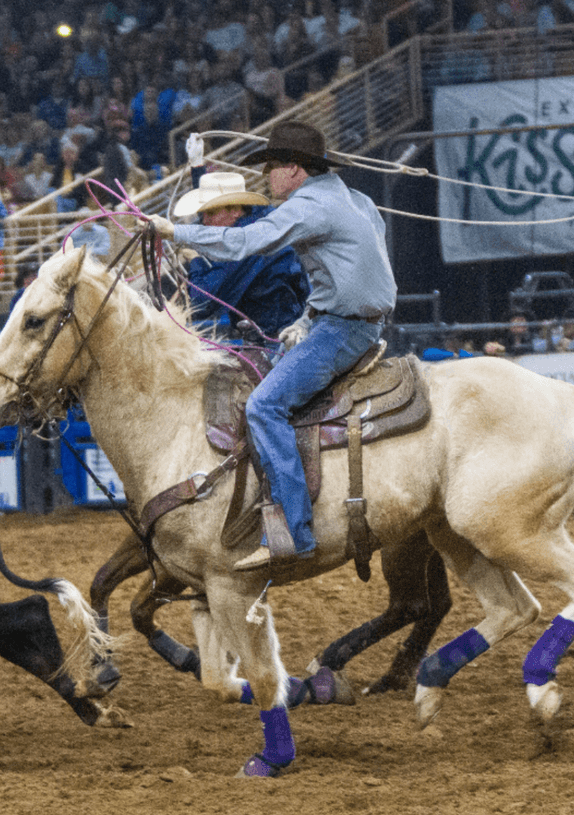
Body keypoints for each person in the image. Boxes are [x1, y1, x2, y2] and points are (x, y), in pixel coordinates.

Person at [144, 121, 395, 571]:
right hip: (346, 323)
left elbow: (243, 242)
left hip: (341, 330)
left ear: (294, 169)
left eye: (272, 167)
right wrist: (308, 317)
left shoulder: (310, 207)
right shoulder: (355, 199)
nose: (267, 177)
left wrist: (175, 233)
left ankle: (291, 531)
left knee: (263, 406)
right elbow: (354, 268)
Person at [175, 134, 309, 343]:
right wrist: (197, 168)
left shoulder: (243, 243)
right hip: (272, 326)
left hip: (274, 337)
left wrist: (195, 261)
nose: (203, 221)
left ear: (236, 210)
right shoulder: (259, 217)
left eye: (210, 213)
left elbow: (201, 303)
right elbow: (212, 216)